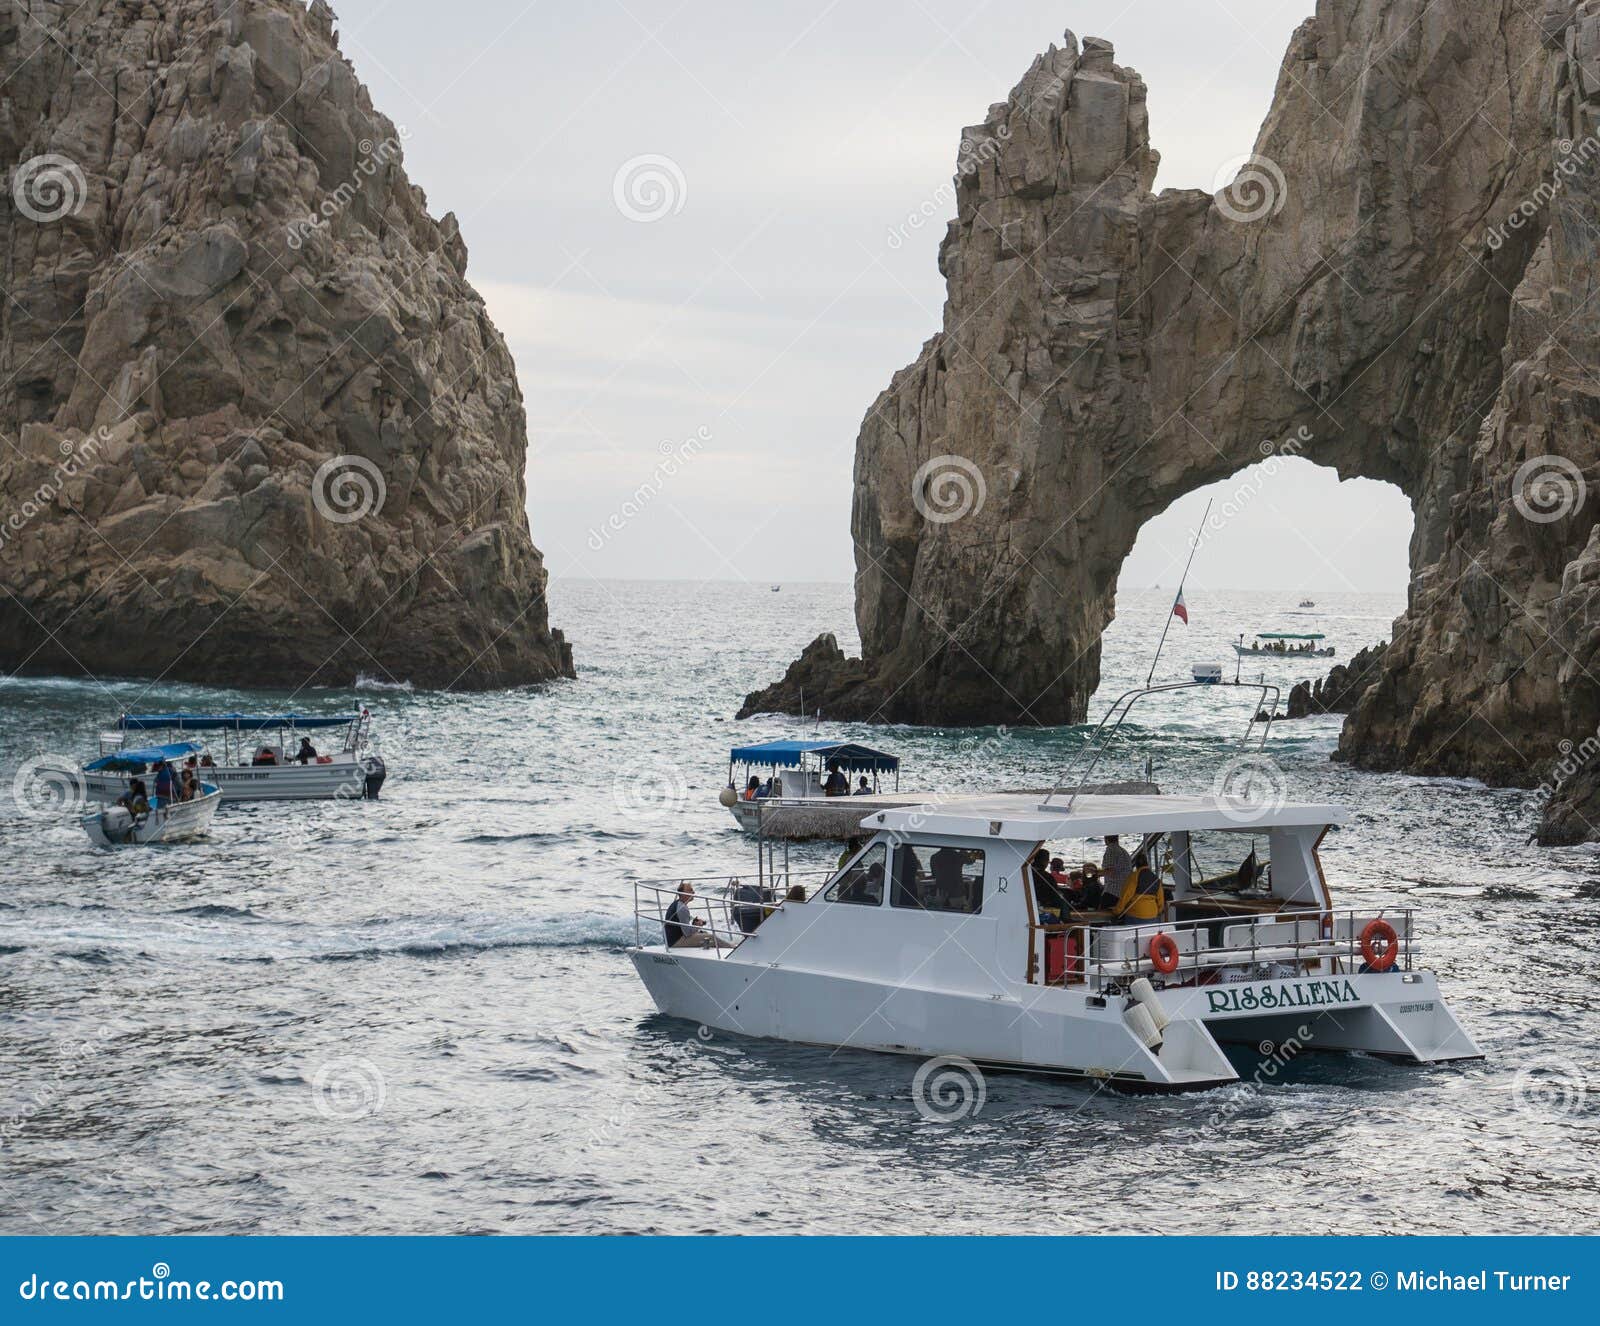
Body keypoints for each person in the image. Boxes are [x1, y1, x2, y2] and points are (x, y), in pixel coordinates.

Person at [1110, 851, 1166, 923]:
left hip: (1136, 915)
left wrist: (1117, 911)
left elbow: (1126, 896)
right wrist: (1158, 911)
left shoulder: (1134, 876)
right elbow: (1161, 899)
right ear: (1147, 863)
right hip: (1152, 915)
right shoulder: (1156, 878)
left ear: (1136, 865)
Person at [664, 883, 713, 948]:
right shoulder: (682, 908)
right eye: (690, 890)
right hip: (676, 942)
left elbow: (683, 928)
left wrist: (694, 925)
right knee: (711, 937)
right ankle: (730, 947)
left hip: (671, 940)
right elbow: (687, 933)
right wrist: (698, 925)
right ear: (682, 894)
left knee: (705, 933)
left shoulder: (677, 903)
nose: (693, 892)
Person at [1100, 835, 1133, 906]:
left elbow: (1110, 871)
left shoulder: (1111, 850)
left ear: (1106, 839)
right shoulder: (1124, 851)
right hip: (1124, 891)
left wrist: (1094, 873)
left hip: (1113, 891)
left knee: (1102, 914)